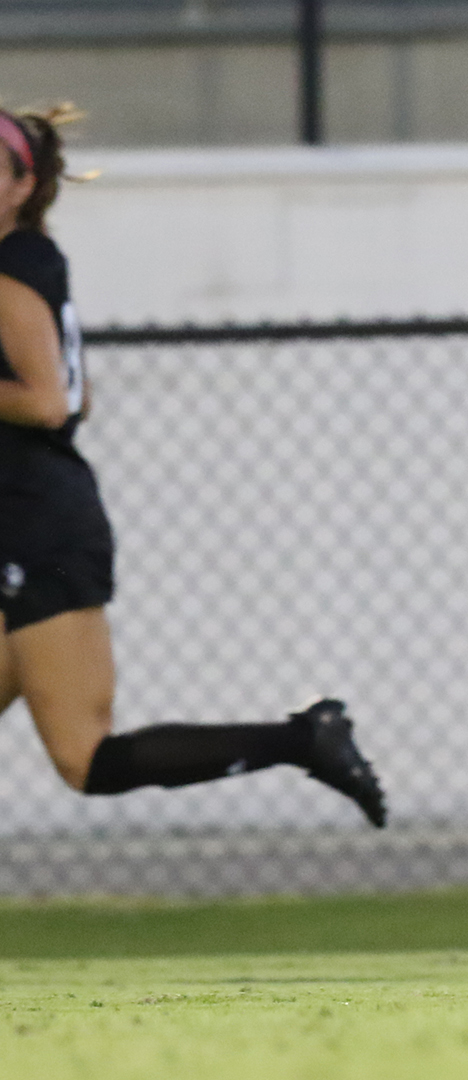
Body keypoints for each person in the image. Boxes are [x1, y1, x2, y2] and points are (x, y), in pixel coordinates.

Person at [0, 105, 385, 825]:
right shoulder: (28, 262)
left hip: (35, 530)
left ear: (23, 186)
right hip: (26, 518)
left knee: (85, 757)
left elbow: (50, 402)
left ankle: (305, 739)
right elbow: (79, 397)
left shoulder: (12, 265)